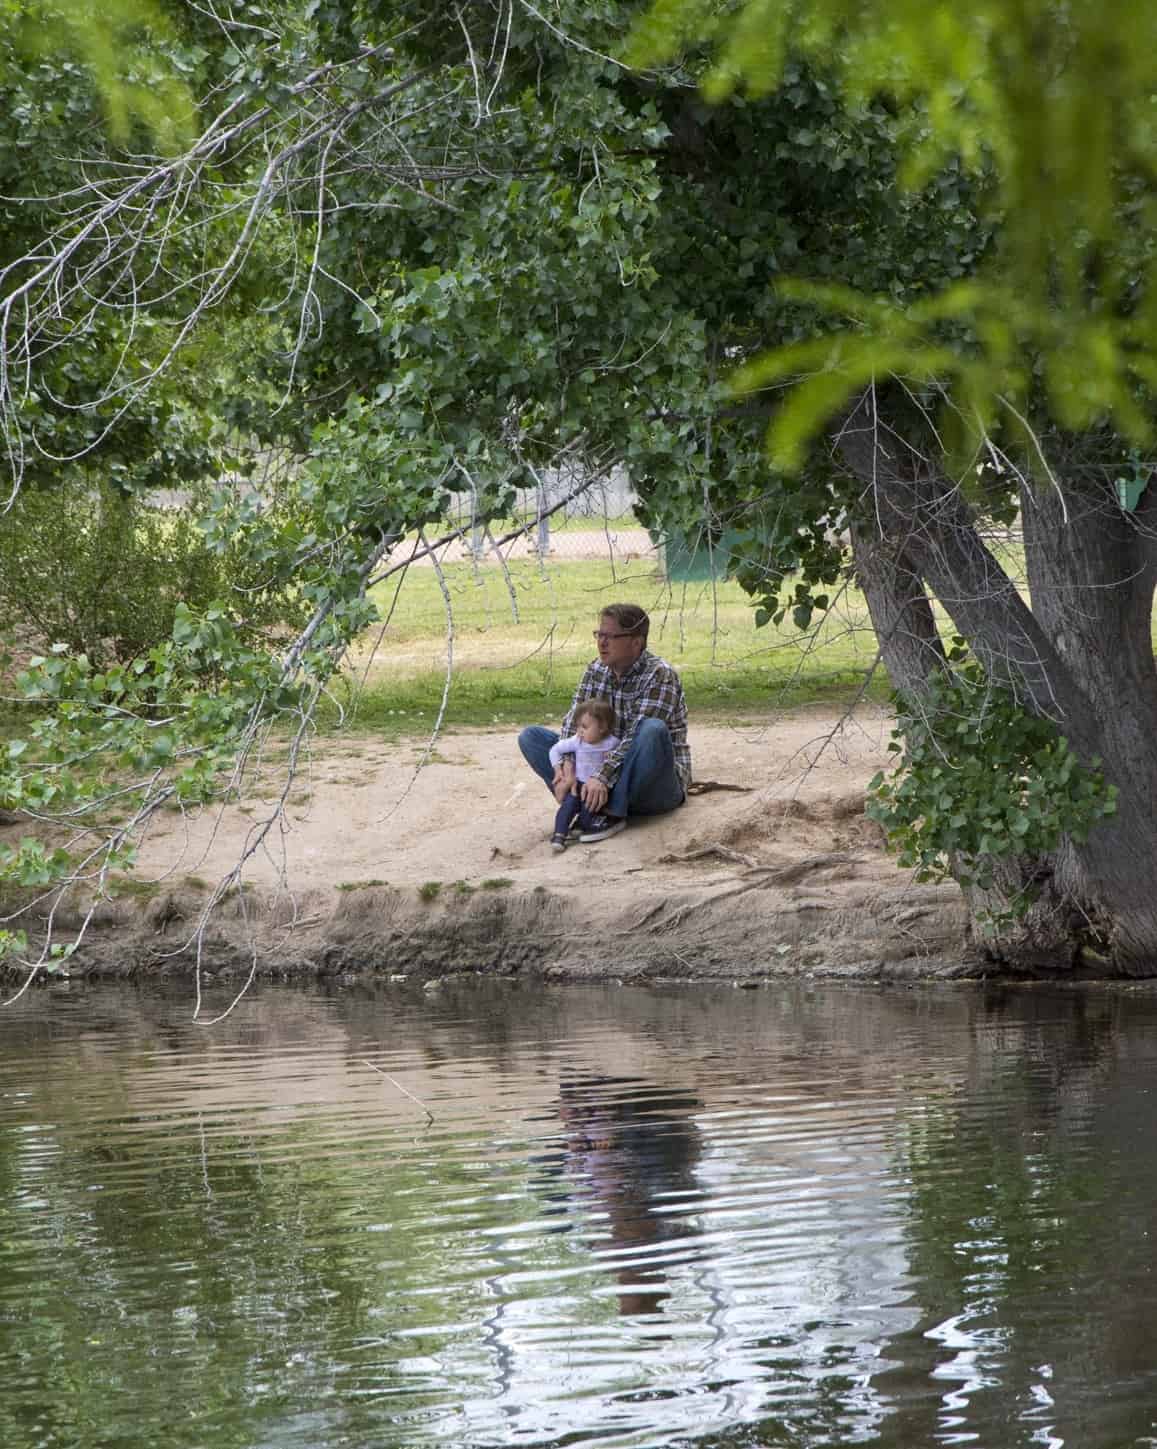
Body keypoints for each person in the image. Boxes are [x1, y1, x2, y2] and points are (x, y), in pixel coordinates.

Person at [518, 603, 691, 844]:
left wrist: (601, 778)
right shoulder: (595, 670)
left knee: (651, 730)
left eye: (611, 636)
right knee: (531, 738)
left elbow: (632, 741)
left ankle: (608, 811)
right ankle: (587, 802)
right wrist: (568, 767)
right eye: (599, 634)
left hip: (652, 786)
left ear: (636, 642)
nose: (601, 642)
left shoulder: (660, 675)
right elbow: (573, 722)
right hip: (600, 777)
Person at [547, 699, 620, 851]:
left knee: (589, 811)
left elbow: (621, 758)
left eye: (585, 727)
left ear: (602, 727)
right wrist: (558, 770)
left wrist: (610, 757)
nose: (579, 730)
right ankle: (559, 835)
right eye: (578, 726)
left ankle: (585, 824)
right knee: (567, 808)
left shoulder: (612, 743)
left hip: (594, 788)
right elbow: (555, 749)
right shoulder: (577, 741)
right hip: (577, 785)